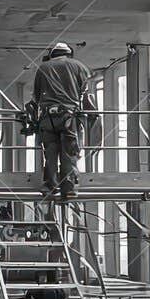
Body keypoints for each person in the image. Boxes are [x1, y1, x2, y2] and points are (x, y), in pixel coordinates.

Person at [31, 41, 94, 199]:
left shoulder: (42, 68)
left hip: (48, 117)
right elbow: (84, 91)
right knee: (69, 152)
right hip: (68, 116)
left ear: (53, 54)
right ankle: (69, 188)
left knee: (50, 152)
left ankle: (50, 186)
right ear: (68, 53)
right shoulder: (78, 66)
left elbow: (36, 96)